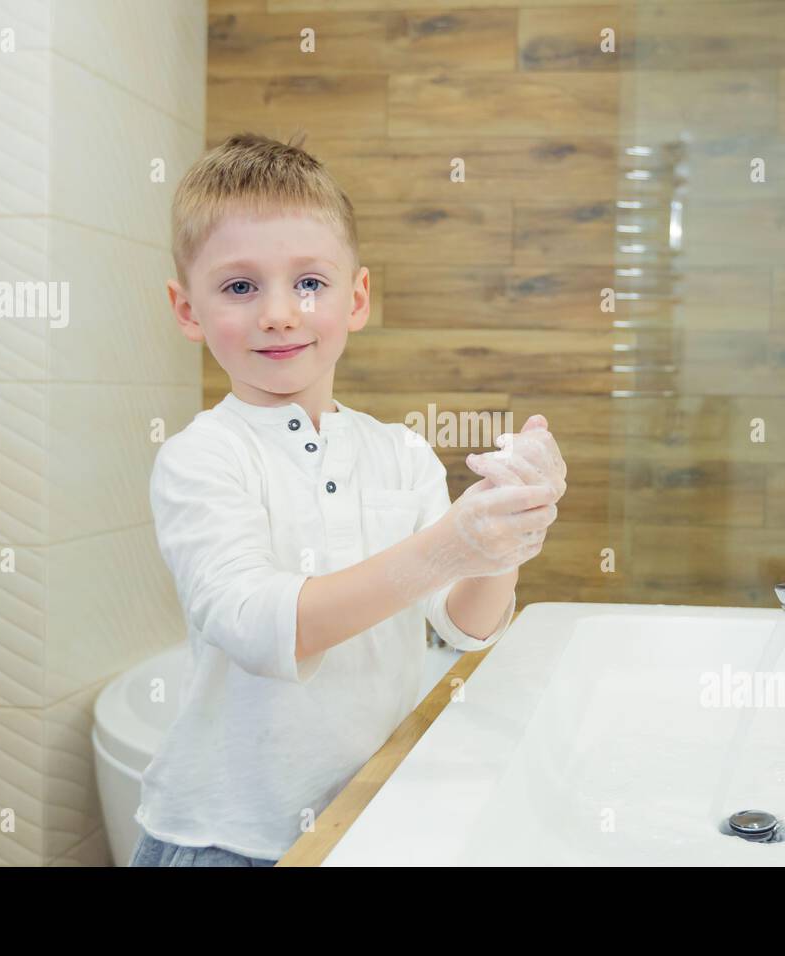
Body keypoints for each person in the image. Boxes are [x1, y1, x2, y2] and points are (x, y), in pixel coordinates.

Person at [128, 131, 567, 866]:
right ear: (187, 309)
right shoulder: (202, 458)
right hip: (224, 838)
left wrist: (503, 541)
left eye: (309, 282)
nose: (278, 312)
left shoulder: (399, 453)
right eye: (240, 287)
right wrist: (446, 547)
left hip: (363, 818)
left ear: (355, 297)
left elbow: (463, 626)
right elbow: (260, 624)